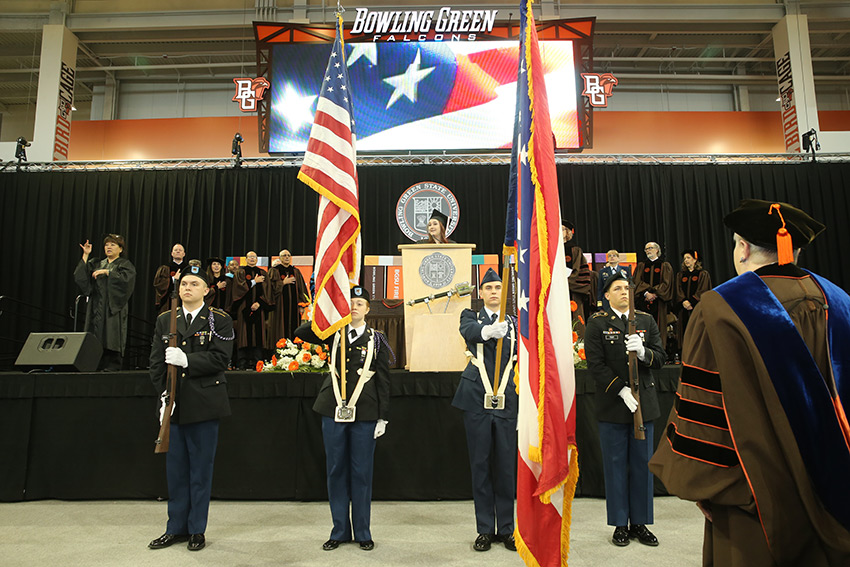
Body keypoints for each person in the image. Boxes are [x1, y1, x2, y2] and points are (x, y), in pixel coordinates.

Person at [650, 199, 850, 566]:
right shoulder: (839, 301)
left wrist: (705, 483)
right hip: (839, 485)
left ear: (742, 247)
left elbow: (704, 407)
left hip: (754, 497)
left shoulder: (719, 308)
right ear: (797, 247)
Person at [295, 286, 391, 552]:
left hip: (366, 410)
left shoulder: (377, 339)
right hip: (332, 407)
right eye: (350, 303)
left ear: (368, 309)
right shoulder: (333, 333)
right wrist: (323, 313)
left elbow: (384, 379)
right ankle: (339, 530)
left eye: (360, 303)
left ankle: (362, 531)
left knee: (361, 472)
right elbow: (300, 333)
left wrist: (383, 417)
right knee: (336, 469)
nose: (354, 307)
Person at [148, 263, 234, 552]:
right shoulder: (165, 320)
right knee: (176, 471)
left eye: (194, 284)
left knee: (200, 471)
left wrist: (188, 360)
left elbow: (221, 359)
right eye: (184, 283)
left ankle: (197, 529)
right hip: (175, 405)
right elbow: (156, 363)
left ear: (207, 290)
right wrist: (163, 396)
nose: (187, 288)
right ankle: (175, 528)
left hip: (205, 405)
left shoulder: (218, 321)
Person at [585, 272, 664, 548]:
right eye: (616, 288)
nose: (623, 292)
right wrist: (620, 389)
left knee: (643, 465)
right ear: (606, 295)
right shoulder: (596, 324)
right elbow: (595, 365)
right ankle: (620, 524)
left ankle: (640, 523)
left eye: (627, 288)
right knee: (616, 465)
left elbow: (660, 358)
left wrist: (644, 353)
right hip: (613, 404)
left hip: (644, 405)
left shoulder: (646, 320)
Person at [453, 268, 518, 552]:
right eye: (488, 288)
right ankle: (483, 529)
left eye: (498, 288)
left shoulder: (516, 322)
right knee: (480, 465)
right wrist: (487, 331)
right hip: (476, 398)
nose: (493, 292)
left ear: (504, 293)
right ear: (481, 293)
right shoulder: (470, 316)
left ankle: (506, 529)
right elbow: (467, 331)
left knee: (505, 467)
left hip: (507, 399)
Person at [74, 234, 137, 371]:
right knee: (95, 334)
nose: (109, 247)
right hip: (96, 306)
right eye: (107, 245)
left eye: (113, 245)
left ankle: (112, 365)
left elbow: (126, 282)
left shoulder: (124, 265)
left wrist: (108, 272)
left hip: (113, 306)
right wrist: (85, 255)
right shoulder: (97, 263)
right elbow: (82, 278)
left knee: (112, 334)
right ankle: (94, 363)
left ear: (120, 249)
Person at [231, 251, 273, 369]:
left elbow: (268, 292)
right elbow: (238, 288)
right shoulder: (240, 272)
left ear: (257, 259)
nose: (252, 259)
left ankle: (258, 363)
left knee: (258, 335)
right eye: (250, 257)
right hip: (244, 308)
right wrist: (254, 282)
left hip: (259, 310)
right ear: (246, 259)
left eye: (254, 257)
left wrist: (259, 303)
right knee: (244, 335)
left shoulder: (263, 273)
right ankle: (242, 363)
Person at [633, 241, 673, 349]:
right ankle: (643, 350)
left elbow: (667, 283)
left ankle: (659, 350)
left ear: (657, 250)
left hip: (659, 302)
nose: (648, 251)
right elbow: (637, 282)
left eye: (650, 248)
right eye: (646, 249)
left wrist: (654, 293)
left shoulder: (665, 266)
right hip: (643, 300)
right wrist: (646, 293)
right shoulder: (641, 266)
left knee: (659, 326)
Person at [673, 249, 711, 356]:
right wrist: (684, 301)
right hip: (683, 308)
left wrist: (692, 302)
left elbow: (703, 289)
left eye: (688, 258)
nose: (686, 260)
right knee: (684, 330)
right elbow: (678, 290)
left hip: (697, 307)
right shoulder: (681, 275)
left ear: (695, 260)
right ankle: (684, 353)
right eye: (685, 258)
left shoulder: (702, 274)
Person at [270, 249, 309, 343]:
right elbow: (269, 288)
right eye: (284, 255)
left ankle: (294, 349)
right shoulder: (274, 271)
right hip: (279, 307)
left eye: (288, 255)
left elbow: (301, 289)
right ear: (279, 258)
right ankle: (280, 349)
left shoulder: (295, 271)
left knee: (295, 327)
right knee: (281, 328)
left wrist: (301, 305)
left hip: (294, 307)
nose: (287, 257)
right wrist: (282, 283)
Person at [562, 221, 592, 338]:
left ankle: (577, 349)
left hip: (572, 291)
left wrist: (564, 283)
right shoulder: (549, 250)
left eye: (563, 229)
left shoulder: (575, 250)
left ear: (568, 233)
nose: (559, 231)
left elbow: (580, 272)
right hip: (554, 292)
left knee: (575, 321)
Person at [153, 243, 186, 315]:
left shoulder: (187, 269)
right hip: (168, 302)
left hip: (185, 301)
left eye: (180, 250)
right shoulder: (165, 268)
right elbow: (158, 284)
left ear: (184, 254)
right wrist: (172, 279)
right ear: (172, 253)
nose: (178, 251)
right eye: (176, 250)